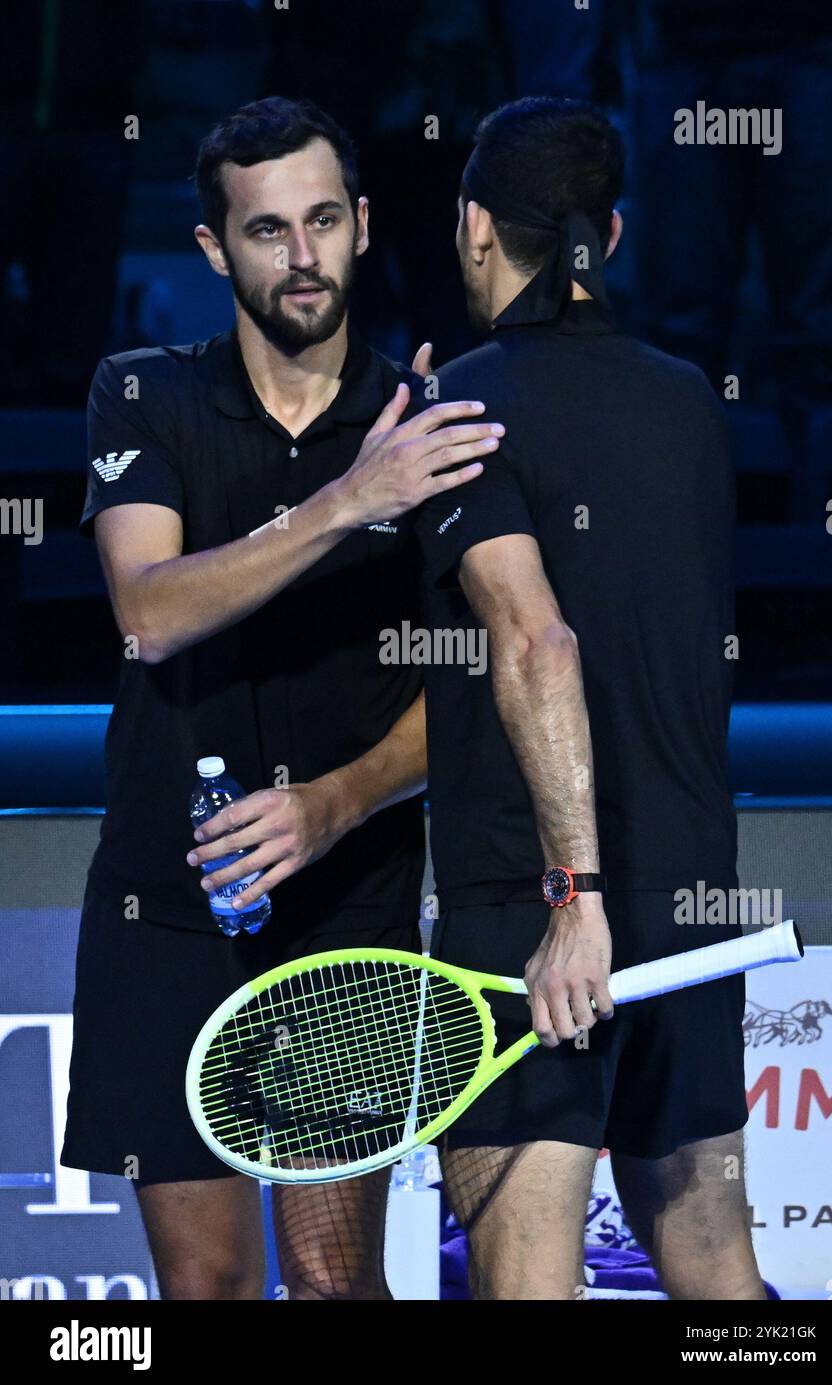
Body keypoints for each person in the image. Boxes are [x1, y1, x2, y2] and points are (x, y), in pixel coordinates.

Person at [60, 95, 503, 1301]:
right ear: (214, 248)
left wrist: (335, 803)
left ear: (362, 225)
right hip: (166, 905)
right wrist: (345, 504)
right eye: (266, 231)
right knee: (202, 1296)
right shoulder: (142, 394)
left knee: (329, 1287)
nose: (301, 257)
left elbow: (477, 680)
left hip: (344, 907)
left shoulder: (428, 418)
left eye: (321, 221)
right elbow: (146, 614)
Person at [413, 97, 761, 1301]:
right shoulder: (685, 400)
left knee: (523, 1291)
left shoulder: (456, 403)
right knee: (719, 1277)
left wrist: (573, 896)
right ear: (603, 235)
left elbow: (536, 640)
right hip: (688, 888)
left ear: (472, 228)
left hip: (537, 904)